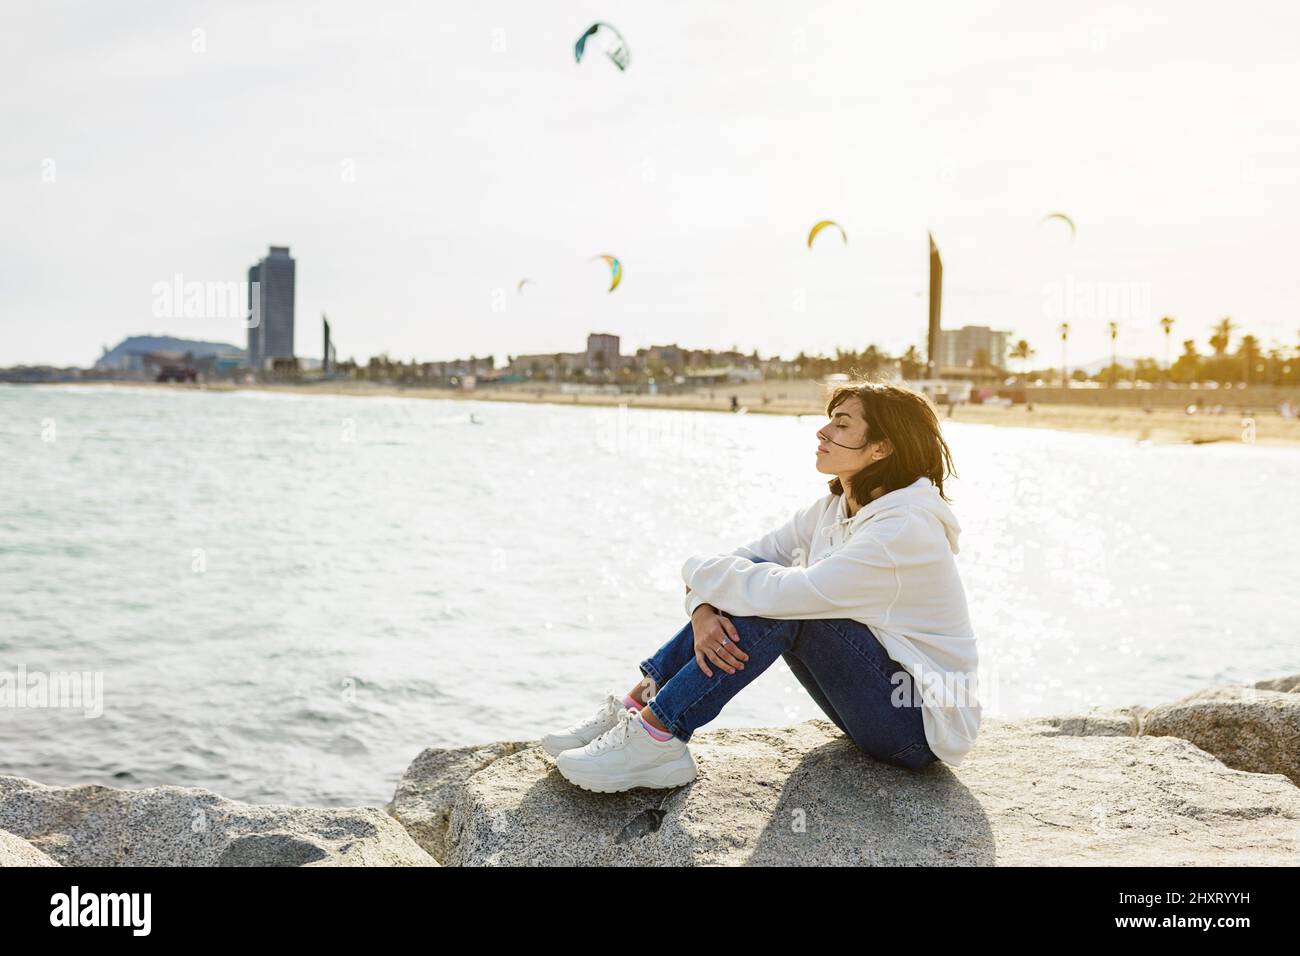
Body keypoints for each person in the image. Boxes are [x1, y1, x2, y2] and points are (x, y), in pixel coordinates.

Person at [543, 380, 982, 793]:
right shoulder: (833, 509)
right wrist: (701, 610)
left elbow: (780, 595)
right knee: (765, 591)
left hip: (917, 727)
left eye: (842, 424)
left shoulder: (903, 528)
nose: (822, 430)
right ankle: (638, 709)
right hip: (877, 705)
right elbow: (744, 562)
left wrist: (703, 580)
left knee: (786, 607)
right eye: (830, 419)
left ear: (882, 447)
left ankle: (657, 738)